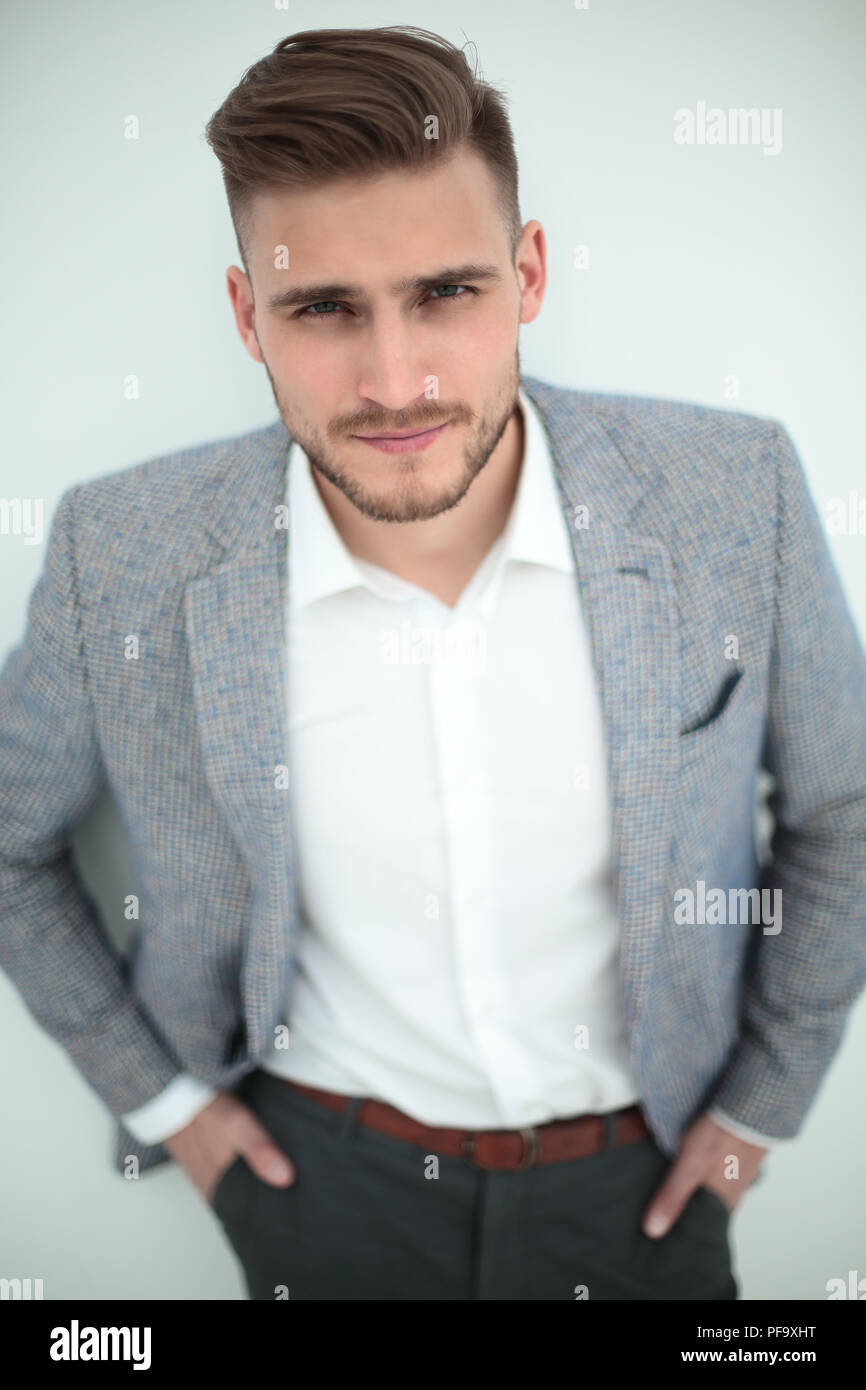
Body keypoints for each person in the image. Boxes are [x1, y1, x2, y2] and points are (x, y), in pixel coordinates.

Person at [1, 25, 865, 1302]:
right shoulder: (116, 553)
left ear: (526, 274)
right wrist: (172, 1107)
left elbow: (844, 810)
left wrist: (755, 1117)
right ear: (249, 314)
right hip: (317, 1190)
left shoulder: (732, 494)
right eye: (324, 308)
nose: (392, 380)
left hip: (649, 1185)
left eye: (445, 293)